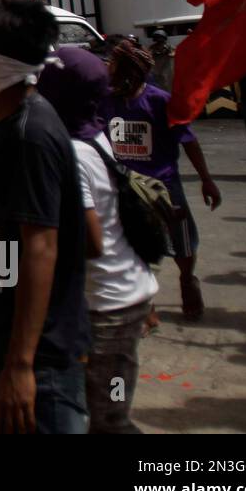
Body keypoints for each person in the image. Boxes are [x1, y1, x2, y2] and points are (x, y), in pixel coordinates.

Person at [0, 0, 90, 434]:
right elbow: (8, 237)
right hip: (9, 330)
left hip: (41, 357)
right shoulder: (6, 122)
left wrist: (20, 365)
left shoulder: (28, 134)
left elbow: (40, 248)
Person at [38, 47, 158, 434]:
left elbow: (91, 241)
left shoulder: (71, 153)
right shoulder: (93, 134)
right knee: (106, 411)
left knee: (108, 418)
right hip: (122, 295)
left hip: (110, 308)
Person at [101, 39, 222, 325]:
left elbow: (189, 141)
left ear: (128, 70)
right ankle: (146, 304)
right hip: (127, 188)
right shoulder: (107, 101)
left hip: (165, 186)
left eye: (113, 63)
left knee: (182, 240)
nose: (108, 67)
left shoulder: (159, 101)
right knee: (134, 245)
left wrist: (206, 179)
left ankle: (187, 279)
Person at [148, 29, 175, 93]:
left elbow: (174, 53)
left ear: (164, 38)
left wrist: (170, 54)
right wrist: (154, 53)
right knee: (157, 84)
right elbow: (148, 54)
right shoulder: (152, 47)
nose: (158, 39)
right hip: (156, 68)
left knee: (167, 83)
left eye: (160, 37)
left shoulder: (169, 47)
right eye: (157, 37)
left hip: (167, 68)